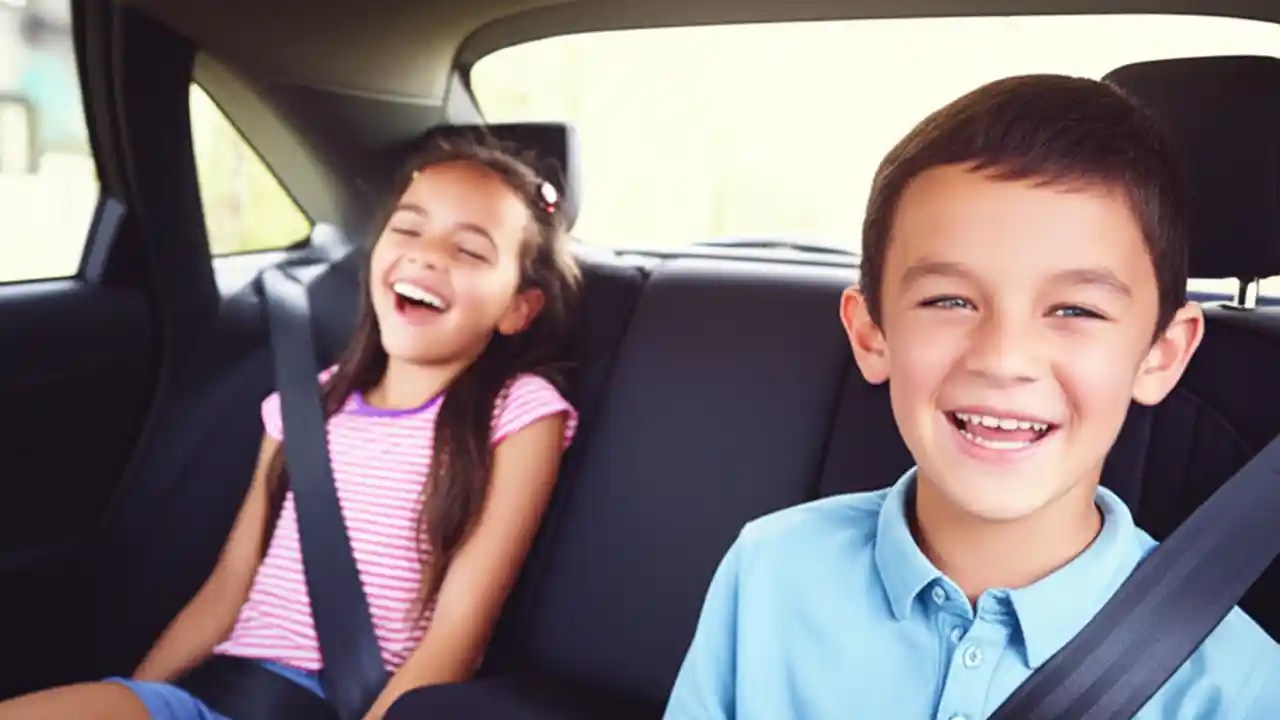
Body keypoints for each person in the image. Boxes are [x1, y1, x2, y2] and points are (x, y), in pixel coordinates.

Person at [663, 74, 1280, 719]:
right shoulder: (769, 572)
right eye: (949, 301)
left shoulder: (1236, 687)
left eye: (1074, 309)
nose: (1003, 359)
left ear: (1161, 354)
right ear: (872, 334)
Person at [0, 136, 582, 720]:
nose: (427, 255)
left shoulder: (517, 414)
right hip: (213, 695)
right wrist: (142, 695)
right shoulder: (305, 407)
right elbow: (229, 586)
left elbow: (459, 634)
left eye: (470, 251)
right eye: (408, 229)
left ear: (518, 309)